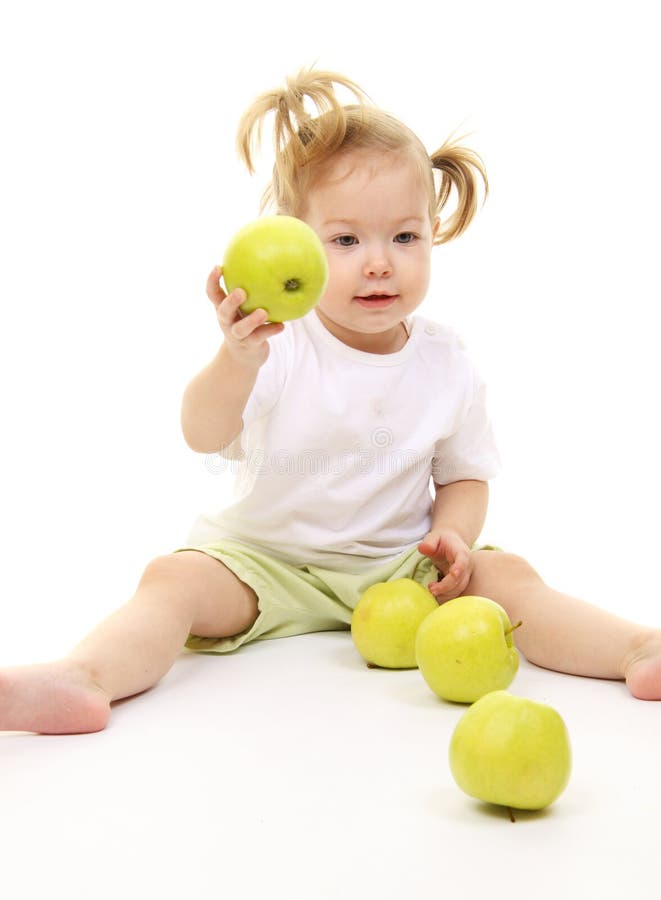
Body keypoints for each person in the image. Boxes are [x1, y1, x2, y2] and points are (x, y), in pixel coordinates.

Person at [1, 69, 660, 735]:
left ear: (432, 232)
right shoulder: (279, 343)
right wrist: (235, 358)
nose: (378, 263)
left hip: (403, 567)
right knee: (172, 581)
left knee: (508, 575)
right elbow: (202, 433)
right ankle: (85, 676)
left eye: (404, 237)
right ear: (298, 243)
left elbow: (463, 474)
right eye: (346, 240)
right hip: (267, 563)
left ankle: (638, 648)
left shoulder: (446, 362)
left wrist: (454, 539)